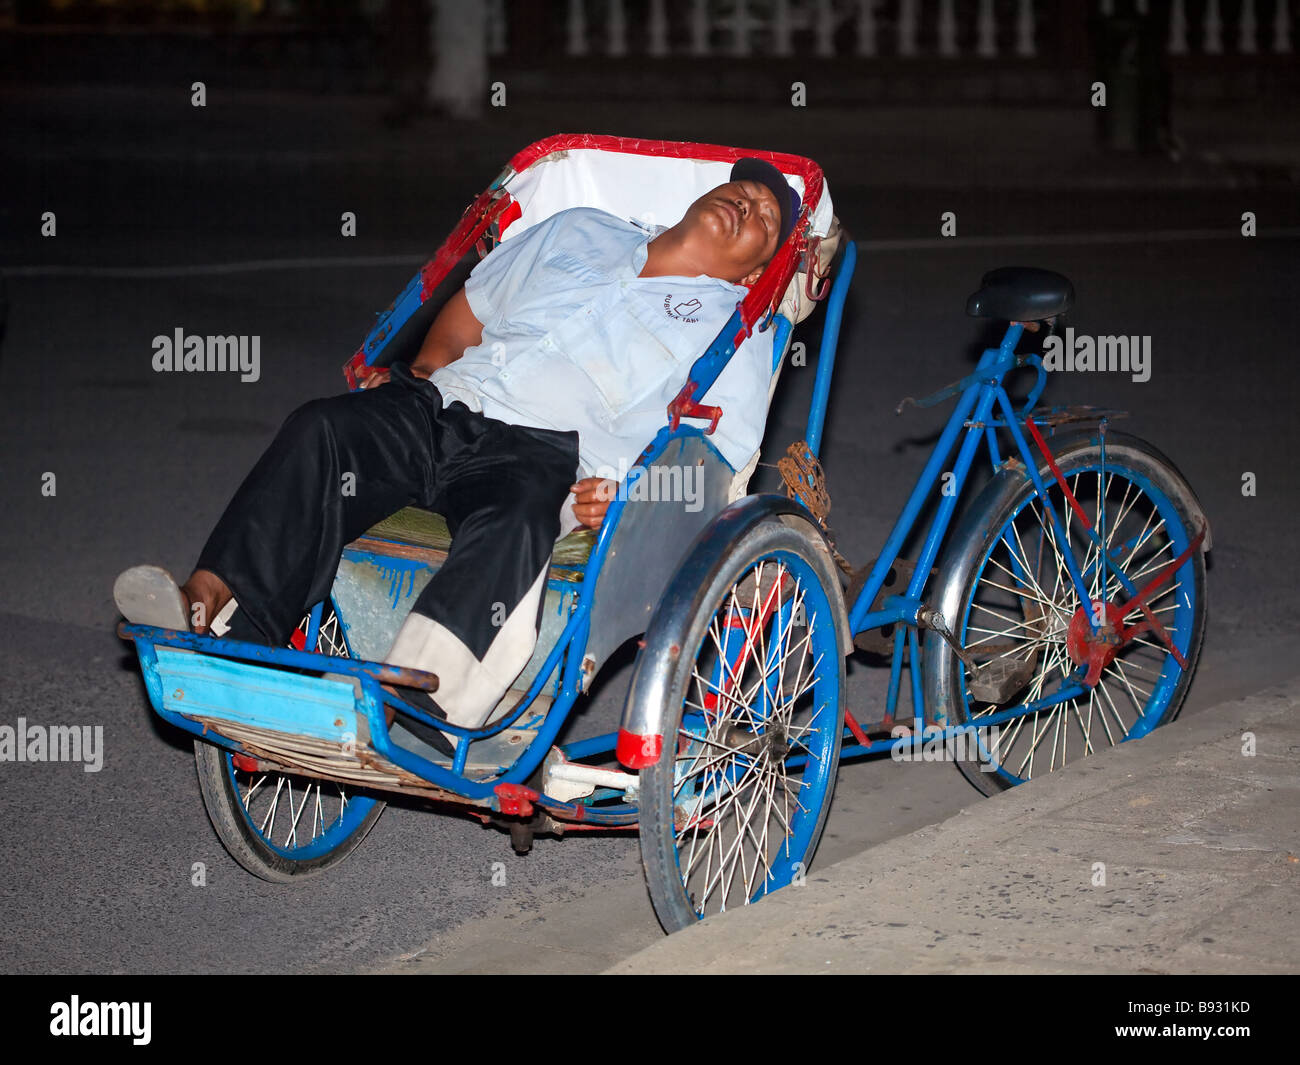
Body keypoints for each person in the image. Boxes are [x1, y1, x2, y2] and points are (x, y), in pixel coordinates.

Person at [114, 158, 802, 731]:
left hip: (541, 456)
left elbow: (716, 454)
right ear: (701, 196)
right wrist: (424, 374)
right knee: (322, 429)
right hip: (442, 408)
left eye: (768, 220)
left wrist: (630, 492)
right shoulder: (580, 231)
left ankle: (422, 684)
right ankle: (212, 605)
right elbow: (471, 311)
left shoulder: (739, 325)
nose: (750, 203)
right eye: (742, 189)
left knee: (518, 517)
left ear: (753, 272)